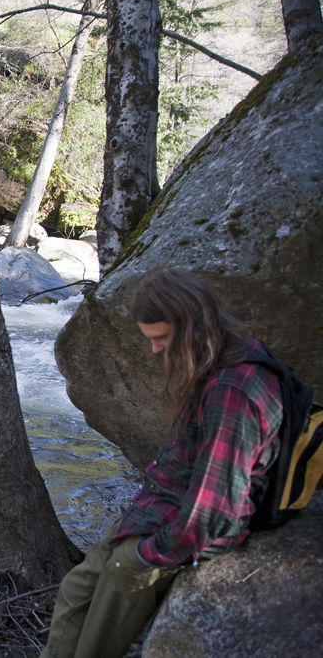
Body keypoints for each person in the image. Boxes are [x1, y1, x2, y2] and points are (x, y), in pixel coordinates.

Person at [40, 267, 284, 658]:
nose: (154, 349)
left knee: (118, 581)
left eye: (162, 339)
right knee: (77, 587)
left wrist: (151, 553)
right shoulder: (215, 358)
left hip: (189, 519)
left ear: (192, 326)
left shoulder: (233, 390)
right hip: (163, 502)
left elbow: (217, 507)